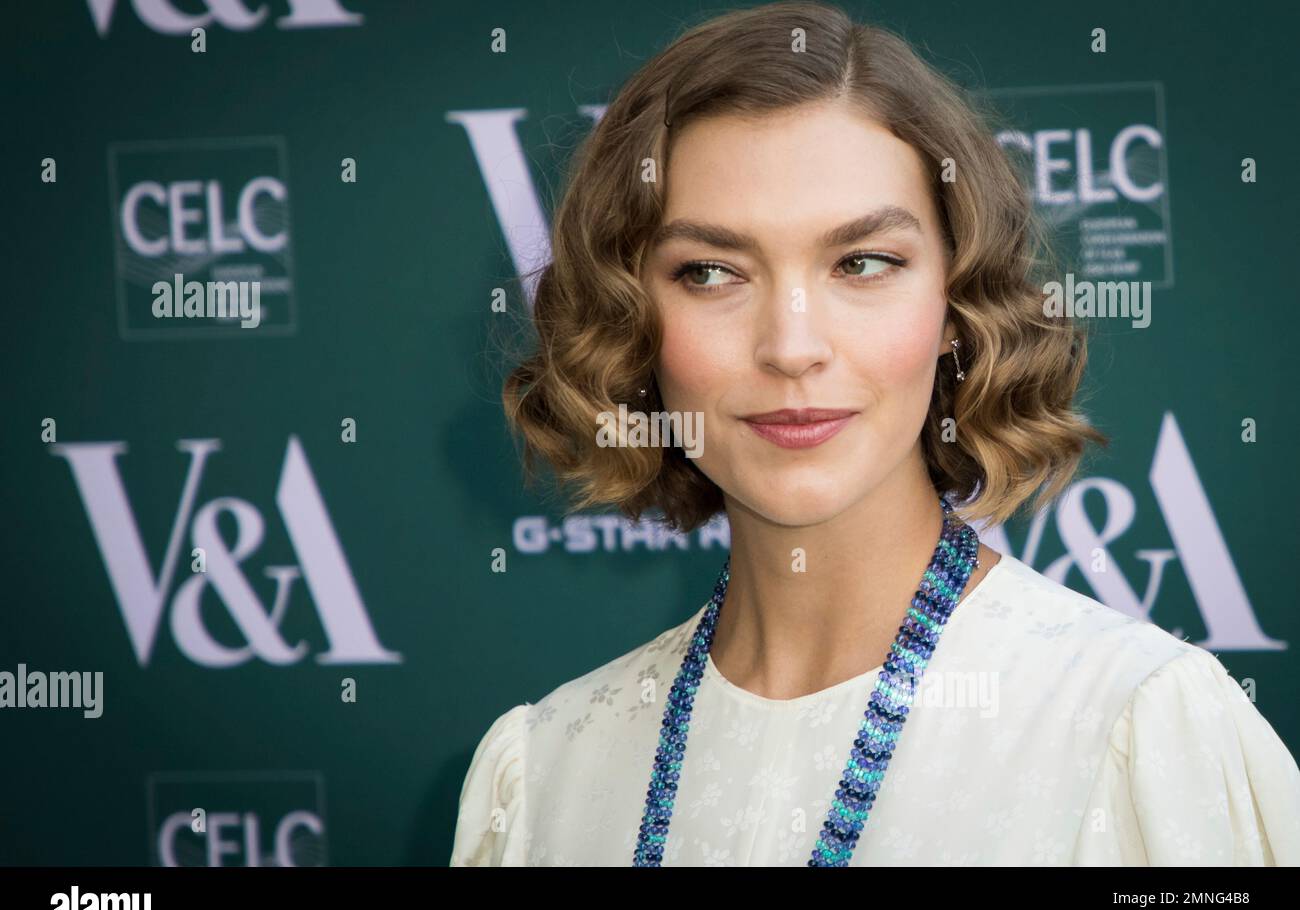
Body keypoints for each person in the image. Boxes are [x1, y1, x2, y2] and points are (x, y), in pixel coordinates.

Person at [450, 1, 1300, 865]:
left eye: (862, 263)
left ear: (957, 308)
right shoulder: (549, 767)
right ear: (630, 320)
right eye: (711, 272)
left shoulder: (1137, 729)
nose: (791, 348)